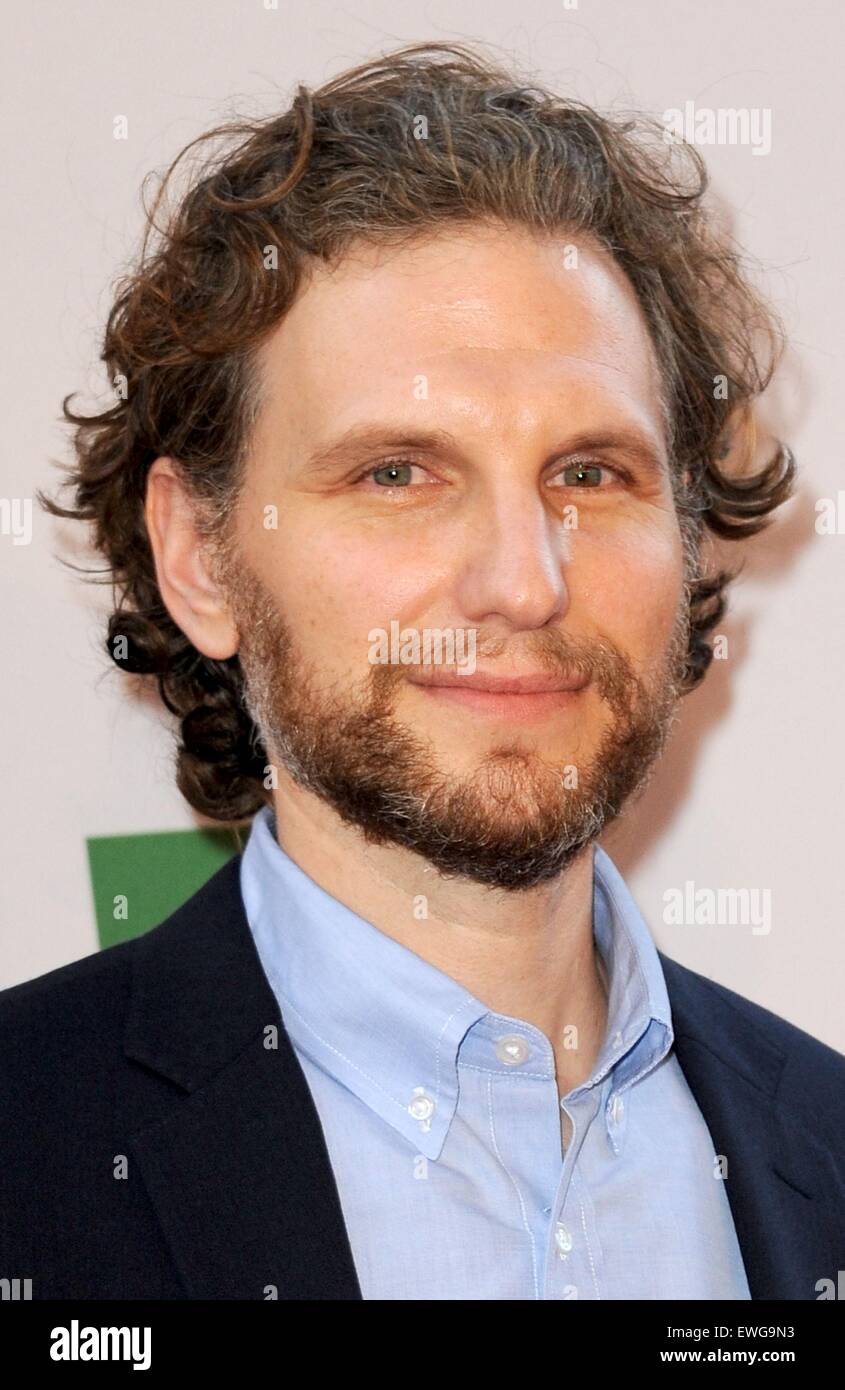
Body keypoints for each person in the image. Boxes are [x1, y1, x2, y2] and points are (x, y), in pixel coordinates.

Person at [3, 42, 842, 1301]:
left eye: (589, 473)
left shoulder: (820, 1147)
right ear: (202, 557)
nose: (523, 582)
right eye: (396, 472)